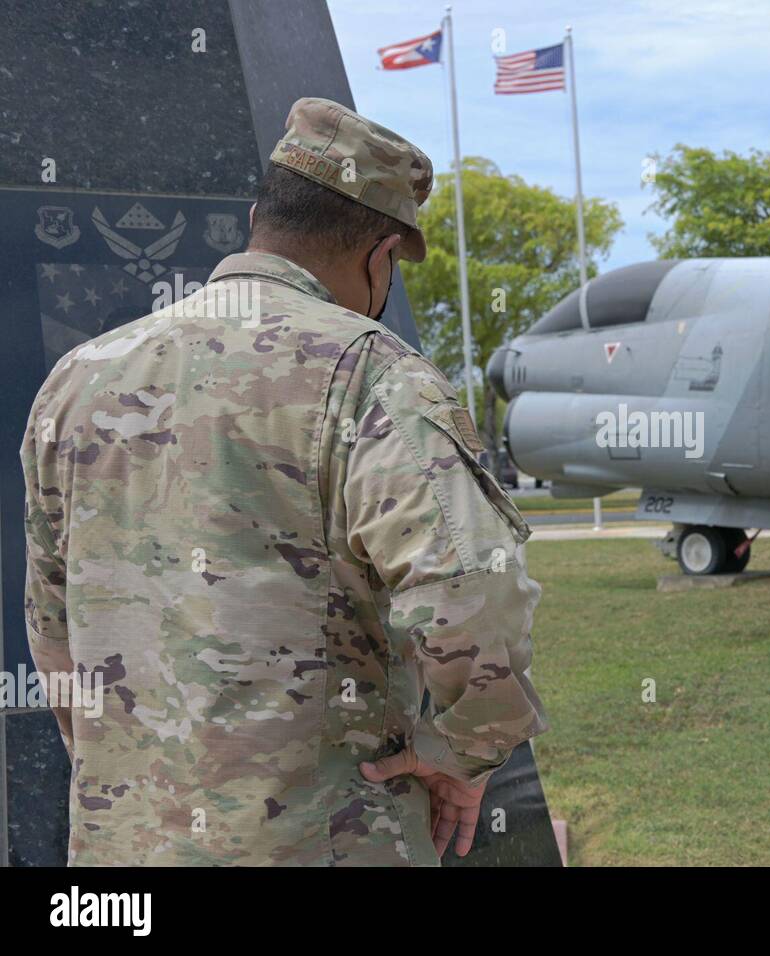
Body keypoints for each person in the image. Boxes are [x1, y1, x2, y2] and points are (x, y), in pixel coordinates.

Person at [21, 97, 545, 866]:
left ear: (258, 215)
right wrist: (463, 750)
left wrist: (135, 778)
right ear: (382, 256)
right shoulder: (374, 376)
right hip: (319, 841)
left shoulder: (76, 379)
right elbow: (475, 594)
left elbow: (53, 633)